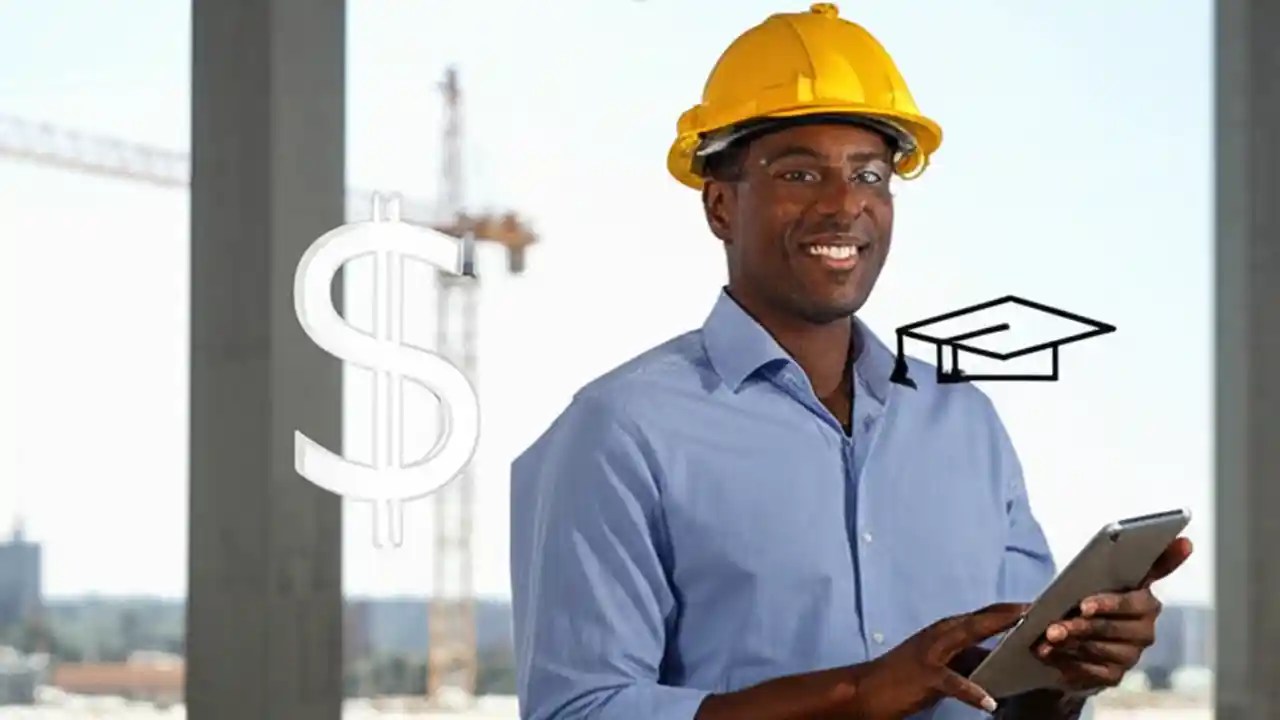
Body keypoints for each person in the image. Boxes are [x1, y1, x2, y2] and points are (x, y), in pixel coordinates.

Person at [508, 4, 1192, 719]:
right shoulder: (619, 431)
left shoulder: (964, 422)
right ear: (720, 207)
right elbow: (578, 710)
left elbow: (1012, 697)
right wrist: (855, 695)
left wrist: (1071, 672)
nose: (844, 206)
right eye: (800, 174)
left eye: (869, 175)